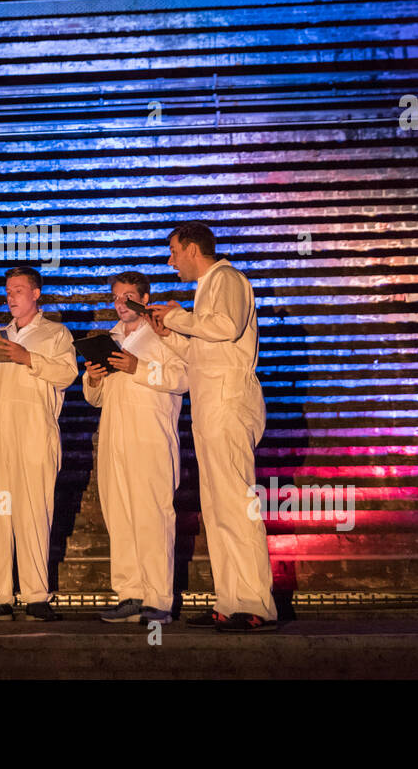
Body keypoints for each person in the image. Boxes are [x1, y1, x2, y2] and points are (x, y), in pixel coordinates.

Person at [148, 222, 278, 632]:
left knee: (238, 506)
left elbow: (226, 328)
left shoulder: (227, 279)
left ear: (191, 249)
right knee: (219, 508)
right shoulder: (207, 289)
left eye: (173, 252)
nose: (171, 262)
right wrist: (168, 332)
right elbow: (201, 350)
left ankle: (257, 603)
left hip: (229, 405)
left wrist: (180, 317)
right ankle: (230, 600)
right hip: (208, 408)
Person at [0, 266, 78, 622]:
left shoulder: (55, 334)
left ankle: (35, 593)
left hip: (34, 433)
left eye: (18, 290)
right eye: (8, 291)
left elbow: (66, 375)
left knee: (33, 511)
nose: (11, 297)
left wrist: (27, 357)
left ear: (36, 294)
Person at [83, 271, 188, 625]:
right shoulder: (110, 338)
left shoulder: (163, 336)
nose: (120, 303)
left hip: (151, 437)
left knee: (152, 517)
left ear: (144, 298)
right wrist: (94, 378)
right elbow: (94, 397)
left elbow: (184, 378)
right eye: (115, 297)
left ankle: (158, 599)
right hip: (115, 437)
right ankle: (130, 593)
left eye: (128, 296)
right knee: (121, 514)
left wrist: (137, 367)